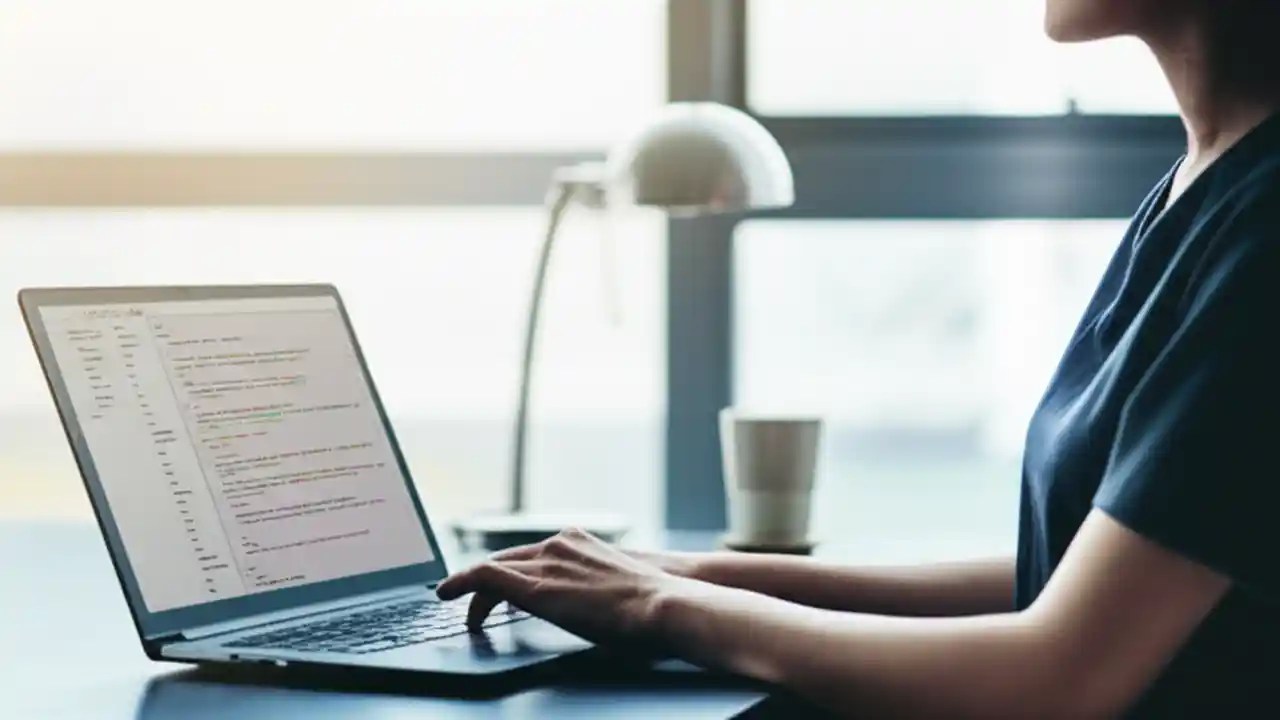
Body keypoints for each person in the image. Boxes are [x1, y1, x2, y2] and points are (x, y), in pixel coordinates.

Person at [438, 1, 1280, 716]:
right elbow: (1069, 577)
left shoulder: (1265, 228)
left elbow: (1062, 674)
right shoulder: (1200, 182)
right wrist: (700, 573)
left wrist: (659, 604)